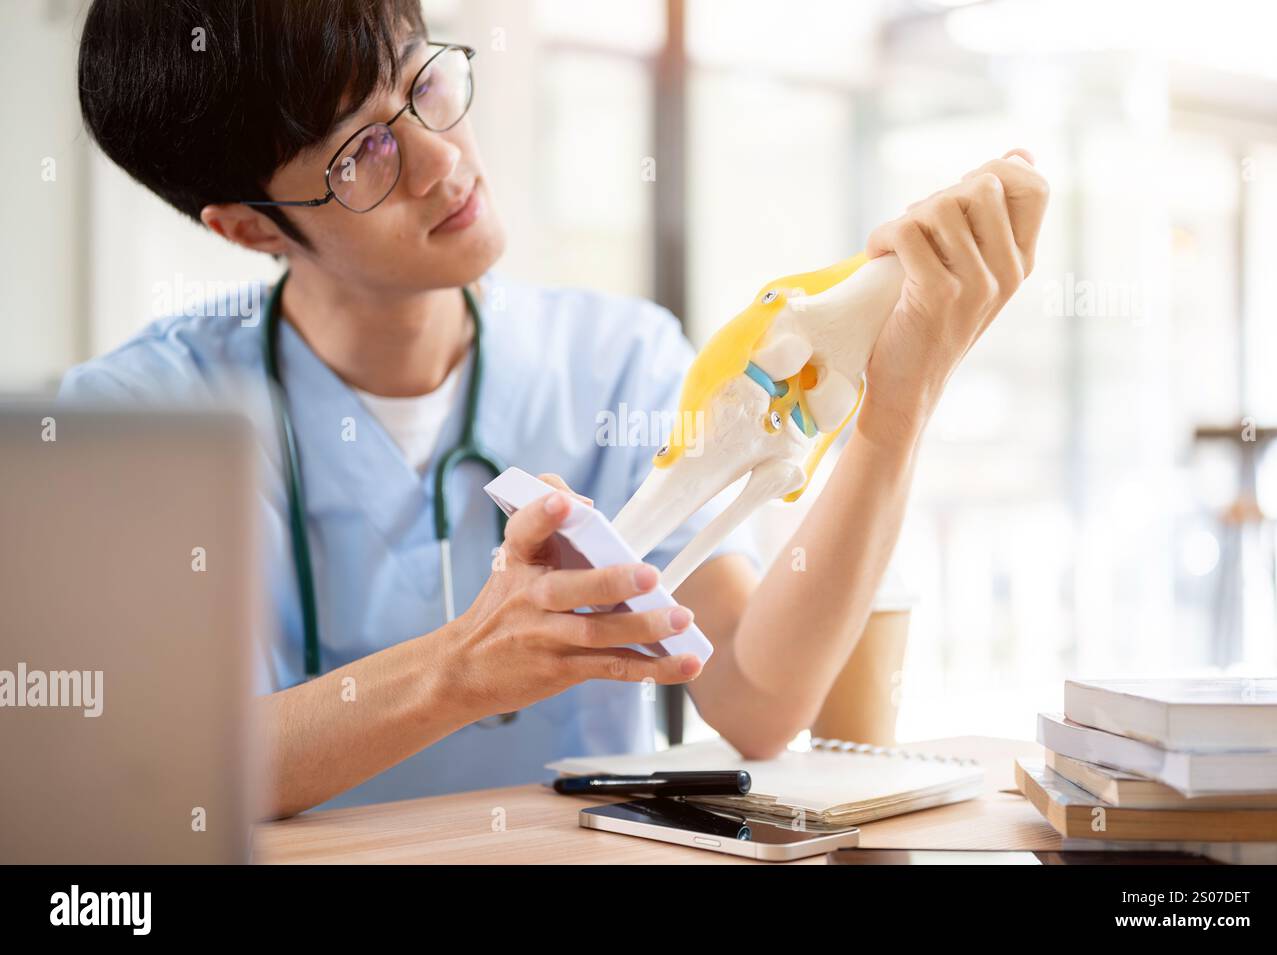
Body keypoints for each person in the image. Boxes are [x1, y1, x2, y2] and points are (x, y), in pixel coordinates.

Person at [63, 0, 1049, 817]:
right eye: (362, 152)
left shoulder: (613, 360)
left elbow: (755, 699)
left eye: (425, 85)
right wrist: (464, 667)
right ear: (246, 228)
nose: (441, 161)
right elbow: (151, 774)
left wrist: (896, 403)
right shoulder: (143, 422)